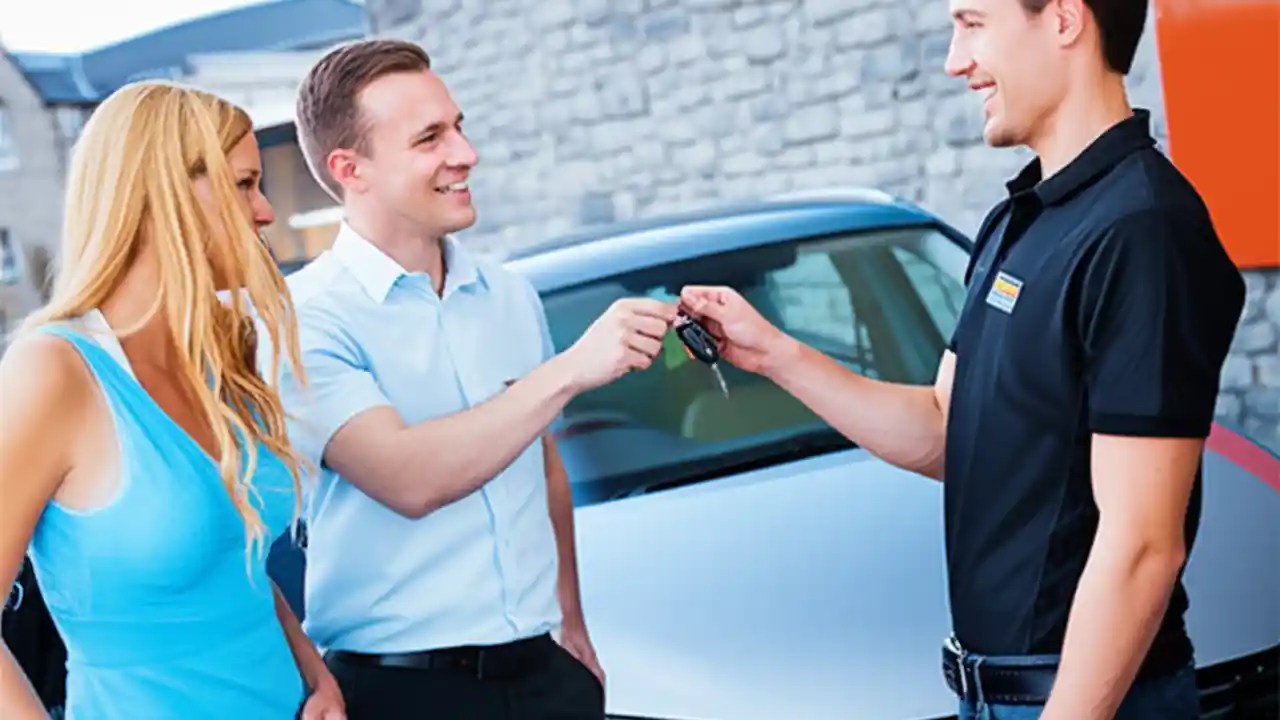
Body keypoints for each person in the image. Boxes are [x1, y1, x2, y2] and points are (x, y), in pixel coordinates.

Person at [679, 1, 1245, 718]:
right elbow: (948, 428)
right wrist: (778, 356)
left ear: (1066, 18)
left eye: (973, 23)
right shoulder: (1019, 219)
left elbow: (1142, 546)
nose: (954, 60)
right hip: (995, 695)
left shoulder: (1142, 230)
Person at [278, 39, 677, 719]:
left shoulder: (508, 294)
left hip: (547, 673)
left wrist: (569, 620)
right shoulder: (301, 321)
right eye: (430, 137)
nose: (466, 153)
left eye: (458, 126)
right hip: (400, 693)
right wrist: (571, 370)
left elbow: (542, 461)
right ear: (352, 169)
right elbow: (409, 479)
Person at [0, 81, 346, 719]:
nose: (266, 211)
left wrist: (314, 672)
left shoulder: (221, 353)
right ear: (163, 195)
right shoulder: (53, 370)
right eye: (244, 184)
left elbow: (231, 562)